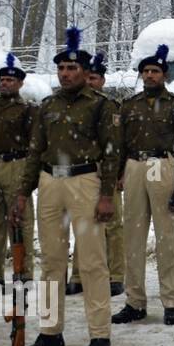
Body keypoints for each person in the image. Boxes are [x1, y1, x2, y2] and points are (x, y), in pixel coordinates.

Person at [13, 27, 121, 346]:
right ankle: (50, 331)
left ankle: (100, 334)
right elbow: (35, 150)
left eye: (72, 68)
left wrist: (106, 195)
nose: (65, 73)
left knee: (91, 261)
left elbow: (112, 152)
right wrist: (22, 192)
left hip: (84, 181)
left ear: (86, 72)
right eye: (61, 68)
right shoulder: (47, 106)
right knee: (51, 261)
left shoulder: (101, 105)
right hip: (49, 183)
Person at [112, 44, 174, 327]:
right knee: (132, 237)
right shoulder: (129, 105)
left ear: (164, 75)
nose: (149, 76)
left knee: (166, 236)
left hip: (161, 164)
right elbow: (120, 143)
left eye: (154, 71)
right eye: (145, 71)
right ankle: (134, 301)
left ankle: (171, 302)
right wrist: (119, 172)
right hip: (134, 165)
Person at [0, 54, 37, 289]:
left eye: (10, 80)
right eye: (2, 79)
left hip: (17, 166)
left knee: (20, 222)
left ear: (20, 83)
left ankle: (24, 272)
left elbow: (35, 145)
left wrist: (30, 177)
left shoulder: (27, 110)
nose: (5, 83)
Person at [67, 52, 124, 297]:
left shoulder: (111, 107)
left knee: (112, 224)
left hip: (108, 170)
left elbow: (121, 143)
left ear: (102, 80)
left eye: (95, 78)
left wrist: (120, 173)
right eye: (87, 78)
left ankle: (116, 275)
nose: (91, 82)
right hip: (82, 170)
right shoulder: (75, 106)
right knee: (83, 223)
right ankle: (78, 275)